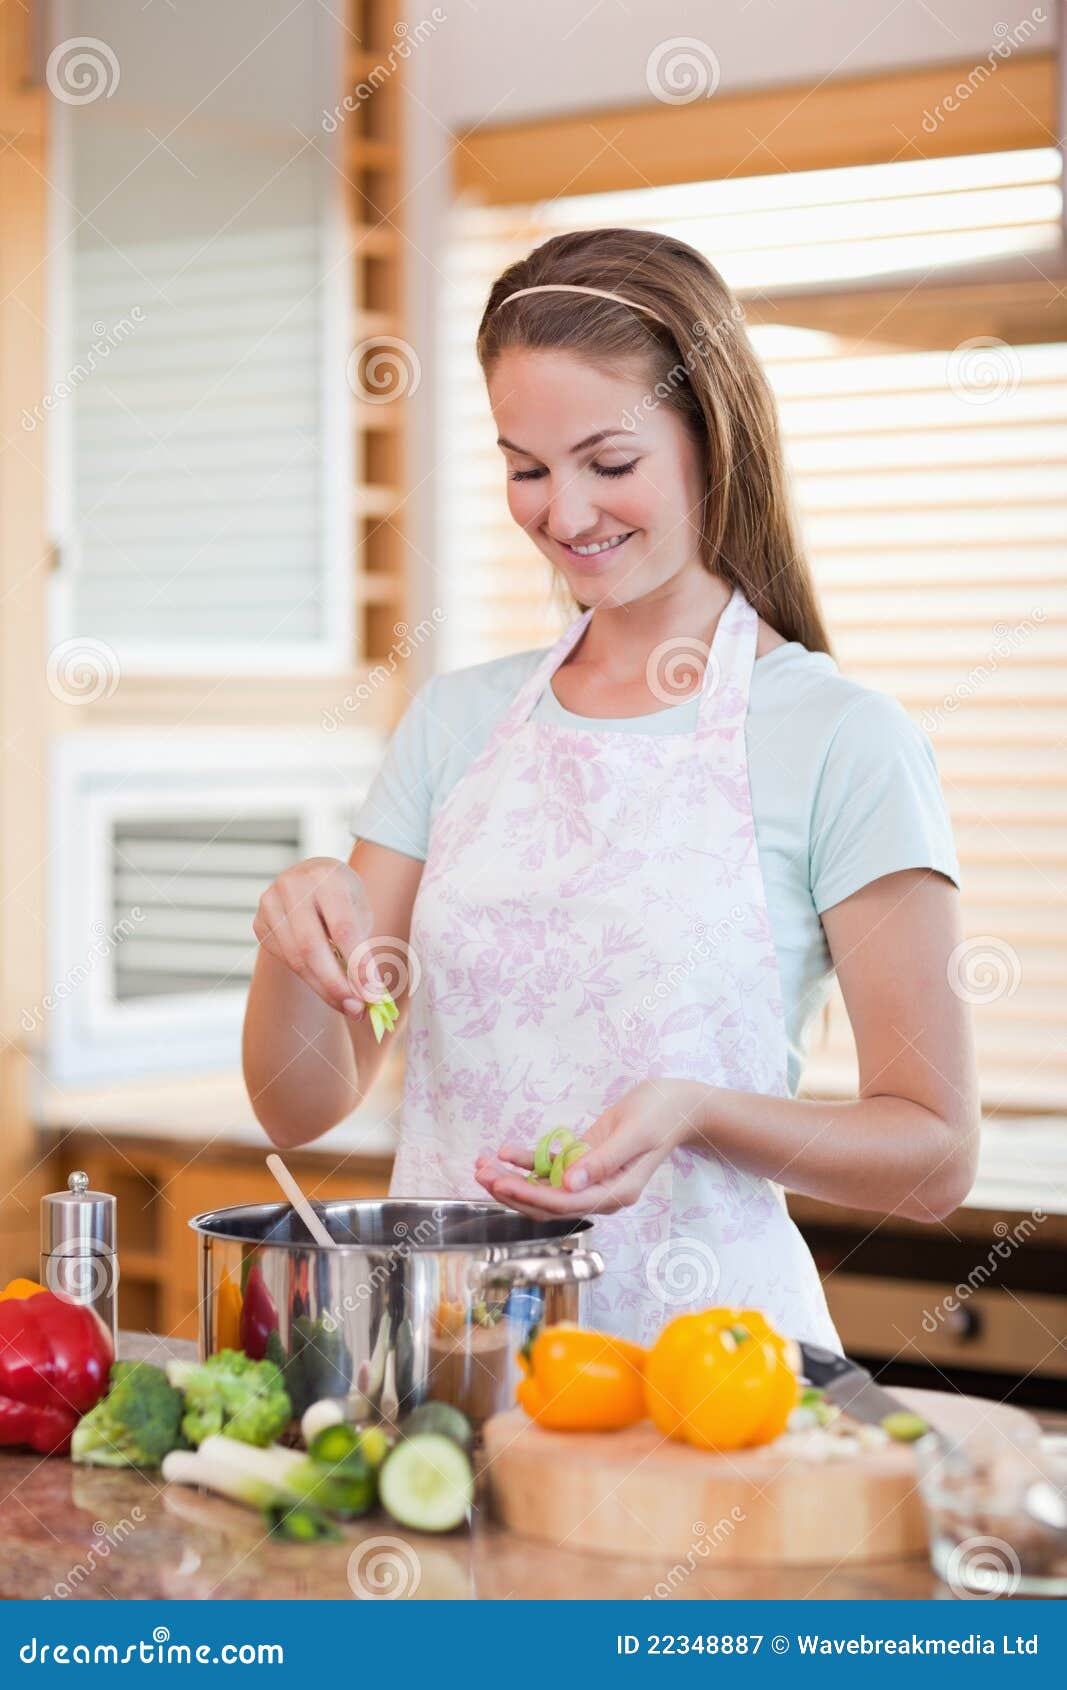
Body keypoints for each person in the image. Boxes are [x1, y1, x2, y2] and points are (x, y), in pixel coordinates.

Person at [243, 227, 979, 1349]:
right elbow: (304, 1103)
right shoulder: (456, 723)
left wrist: (696, 1112)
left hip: (711, 1383)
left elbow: (932, 1155)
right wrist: (288, 933)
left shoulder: (841, 740)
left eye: (608, 462)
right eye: (525, 469)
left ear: (707, 435)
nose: (565, 516)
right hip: (455, 1375)